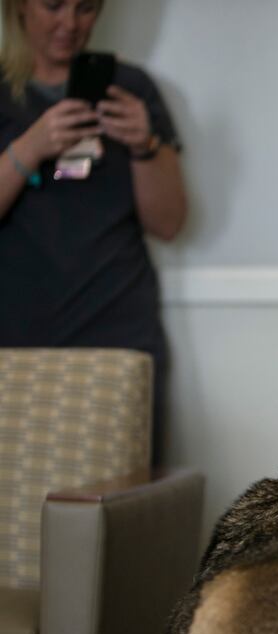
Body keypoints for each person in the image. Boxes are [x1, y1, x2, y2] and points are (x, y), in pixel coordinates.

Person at [0, 0, 186, 463]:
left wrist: (145, 145)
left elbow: (168, 223)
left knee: (118, 501)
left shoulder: (132, 89)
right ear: (20, 6)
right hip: (17, 340)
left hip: (119, 332)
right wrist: (29, 148)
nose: (70, 24)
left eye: (85, 8)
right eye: (54, 6)